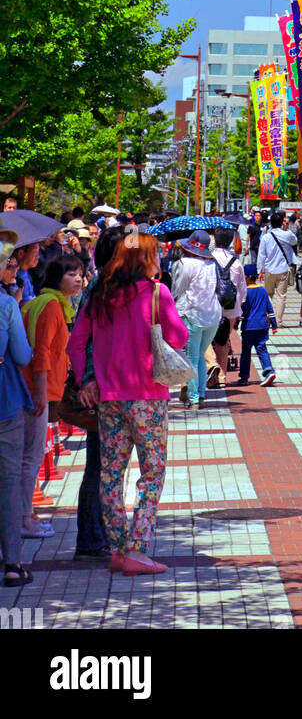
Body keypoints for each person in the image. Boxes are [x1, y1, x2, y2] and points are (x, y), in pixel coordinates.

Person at [69, 233, 188, 576]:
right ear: (145, 259)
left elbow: (77, 344)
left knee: (110, 474)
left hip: (109, 398)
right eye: (155, 255)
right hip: (148, 399)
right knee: (152, 474)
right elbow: (178, 337)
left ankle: (119, 547)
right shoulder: (156, 293)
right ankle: (137, 547)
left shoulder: (100, 296)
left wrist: (85, 380)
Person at [20, 255, 83, 541]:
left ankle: (25, 515)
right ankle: (23, 518)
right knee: (30, 456)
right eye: (71, 274)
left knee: (30, 455)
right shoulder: (51, 306)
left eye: (80, 273)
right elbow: (41, 350)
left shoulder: (52, 304)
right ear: (57, 278)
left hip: (36, 388)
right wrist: (41, 391)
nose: (78, 279)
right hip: (36, 390)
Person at [70, 227, 123, 562]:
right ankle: (91, 538)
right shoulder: (101, 289)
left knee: (104, 465)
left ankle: (98, 535)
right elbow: (81, 341)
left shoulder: (108, 287)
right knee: (99, 466)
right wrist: (87, 379)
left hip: (112, 388)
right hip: (102, 391)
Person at [0, 239, 34, 587]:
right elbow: (23, 356)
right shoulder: (6, 306)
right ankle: (12, 562)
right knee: (8, 482)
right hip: (4, 401)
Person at [170, 232, 221, 410]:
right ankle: (200, 395)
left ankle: (193, 399)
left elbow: (177, 290)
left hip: (193, 315)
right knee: (199, 355)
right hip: (213, 315)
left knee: (192, 357)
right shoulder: (213, 264)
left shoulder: (184, 264)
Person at [205, 229, 246, 389]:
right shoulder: (236, 262)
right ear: (230, 242)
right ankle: (222, 378)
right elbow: (242, 288)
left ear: (214, 241)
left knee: (205, 339)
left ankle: (211, 364)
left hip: (210, 303)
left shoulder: (208, 259)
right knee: (223, 341)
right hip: (230, 305)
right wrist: (241, 303)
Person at [238, 264, 277, 387]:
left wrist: (237, 323)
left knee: (246, 352)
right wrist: (274, 325)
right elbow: (269, 309)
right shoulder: (263, 291)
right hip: (262, 326)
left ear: (246, 277)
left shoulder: (246, 292)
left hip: (249, 326)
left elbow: (243, 311)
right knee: (262, 348)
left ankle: (244, 377)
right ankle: (269, 371)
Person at [256, 211, 296, 329]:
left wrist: (259, 270)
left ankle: (268, 318)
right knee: (281, 296)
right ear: (281, 223)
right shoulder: (287, 234)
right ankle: (278, 321)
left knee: (268, 294)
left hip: (269, 269)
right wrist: (287, 228)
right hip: (282, 269)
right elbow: (294, 240)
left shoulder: (266, 237)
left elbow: (261, 255)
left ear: (271, 223)